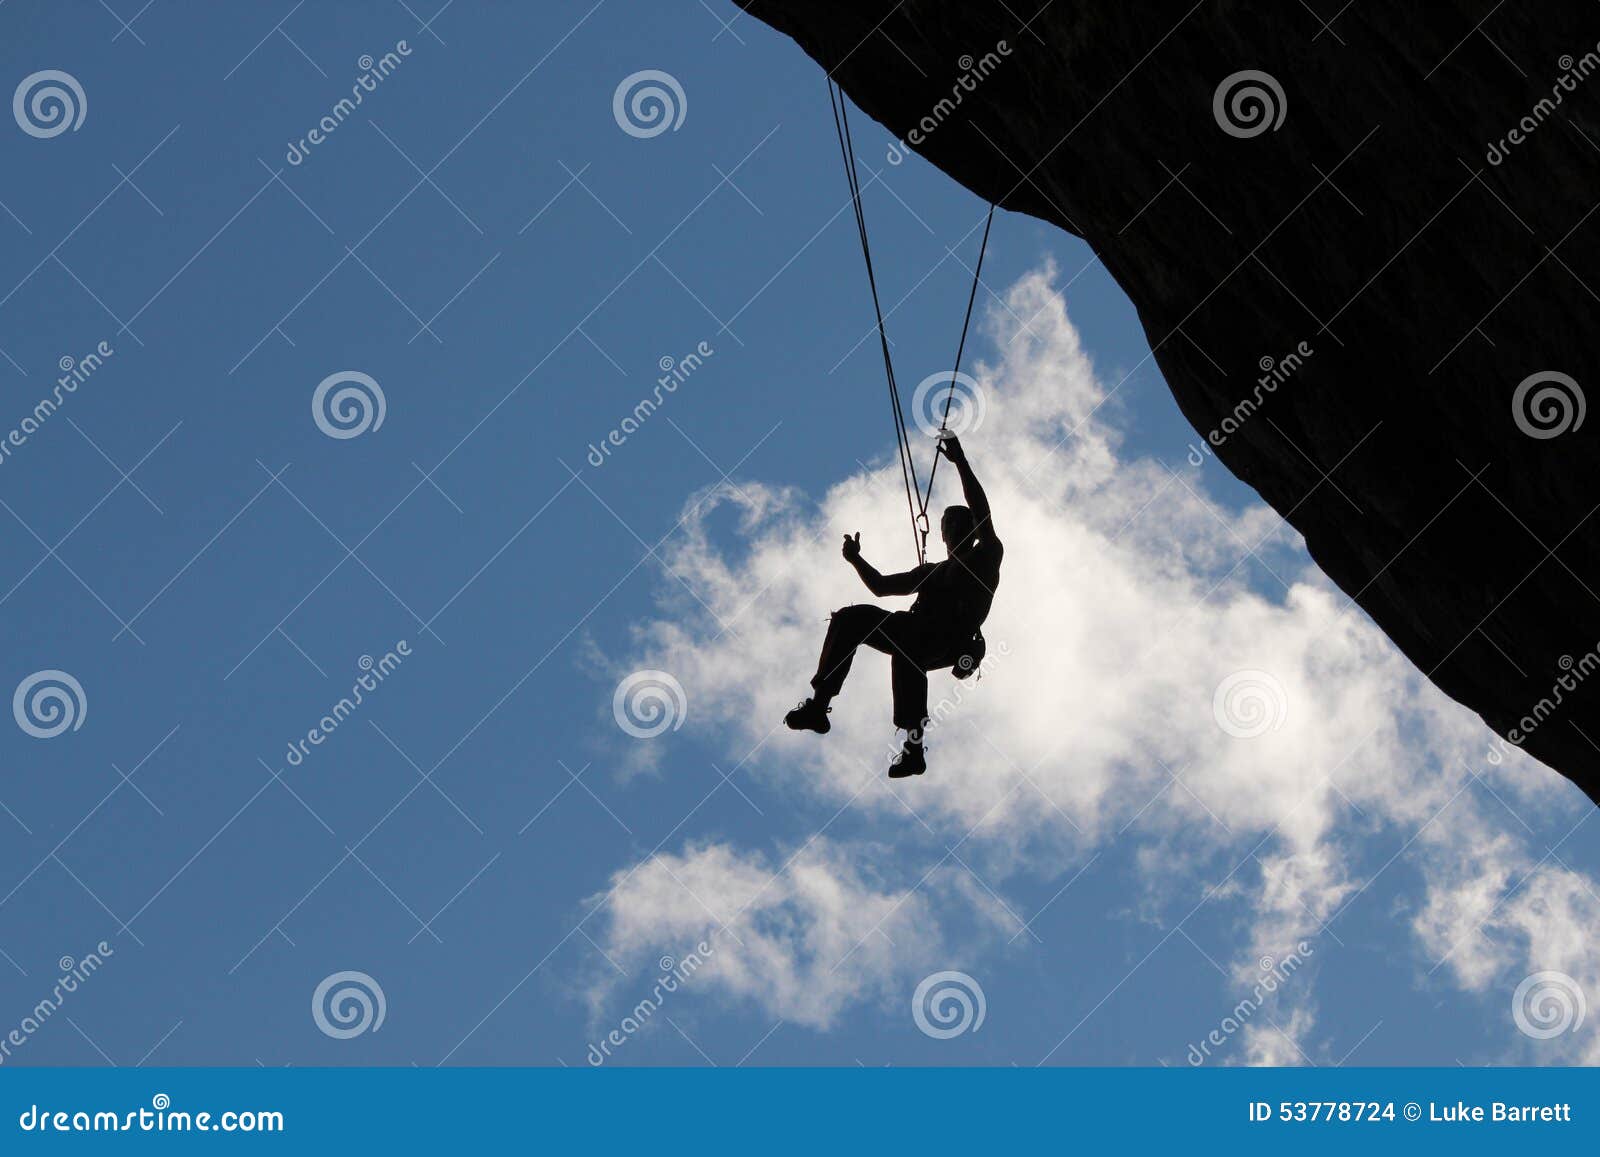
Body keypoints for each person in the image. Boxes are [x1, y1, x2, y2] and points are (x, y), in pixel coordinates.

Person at [784, 433, 1003, 777]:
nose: (951, 527)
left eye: (958, 522)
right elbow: (882, 587)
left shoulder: (985, 555)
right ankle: (818, 706)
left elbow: (980, 507)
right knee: (851, 618)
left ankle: (913, 749)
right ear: (942, 533)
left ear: (972, 529)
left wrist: (960, 461)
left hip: (949, 638)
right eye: (947, 523)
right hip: (915, 631)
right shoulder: (931, 572)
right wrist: (856, 559)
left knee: (908, 644)